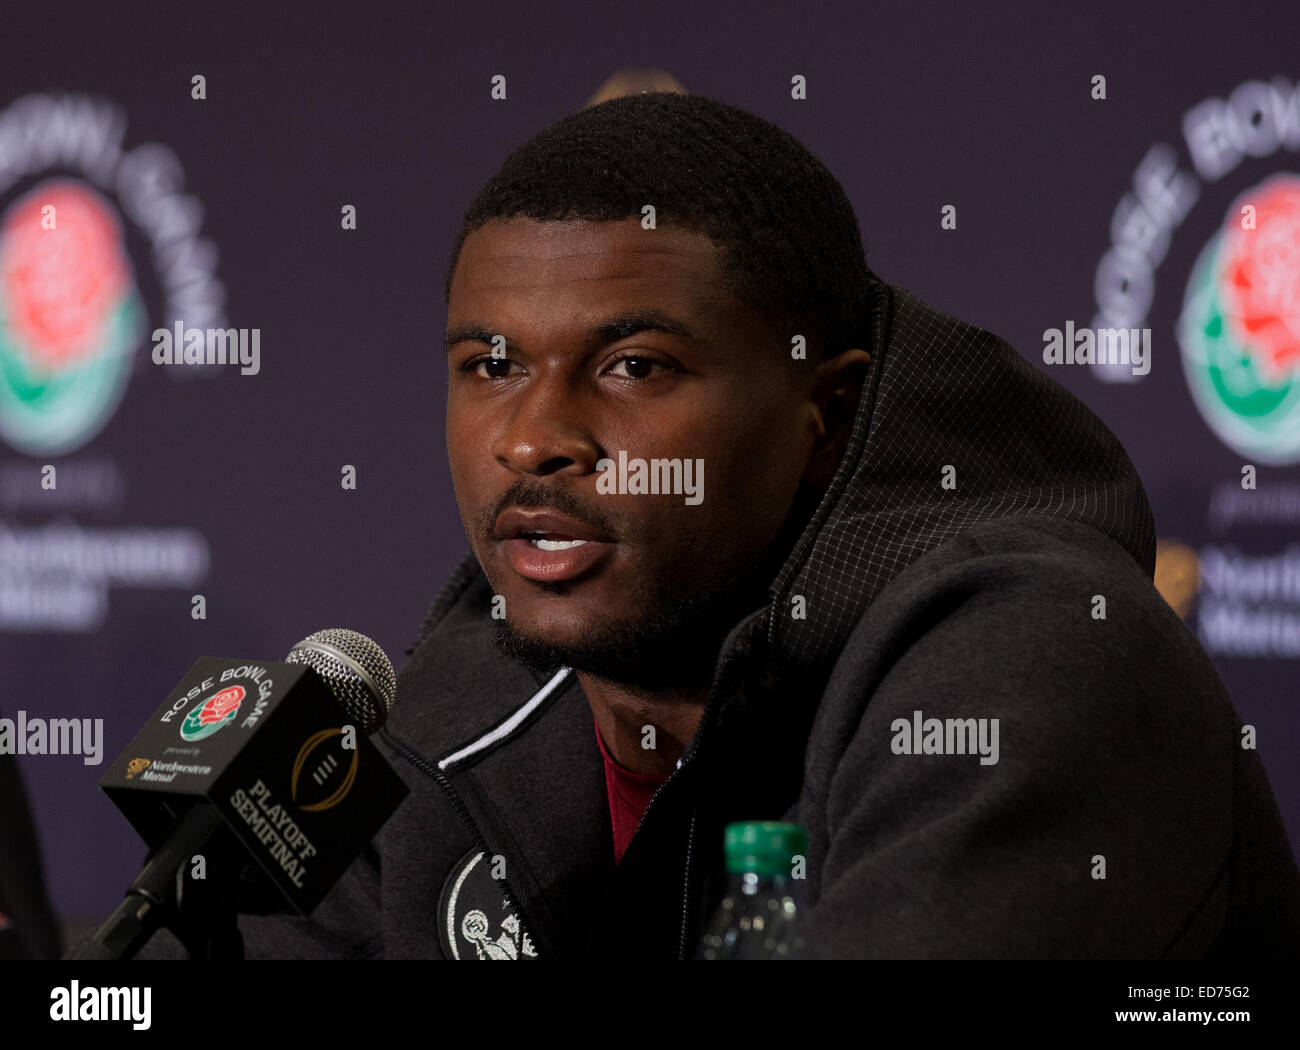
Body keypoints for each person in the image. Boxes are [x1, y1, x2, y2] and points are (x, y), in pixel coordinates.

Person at [143, 91, 1300, 959]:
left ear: (823, 415)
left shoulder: (1035, 661)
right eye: (489, 364)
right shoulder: (460, 704)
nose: (534, 436)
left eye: (633, 365)